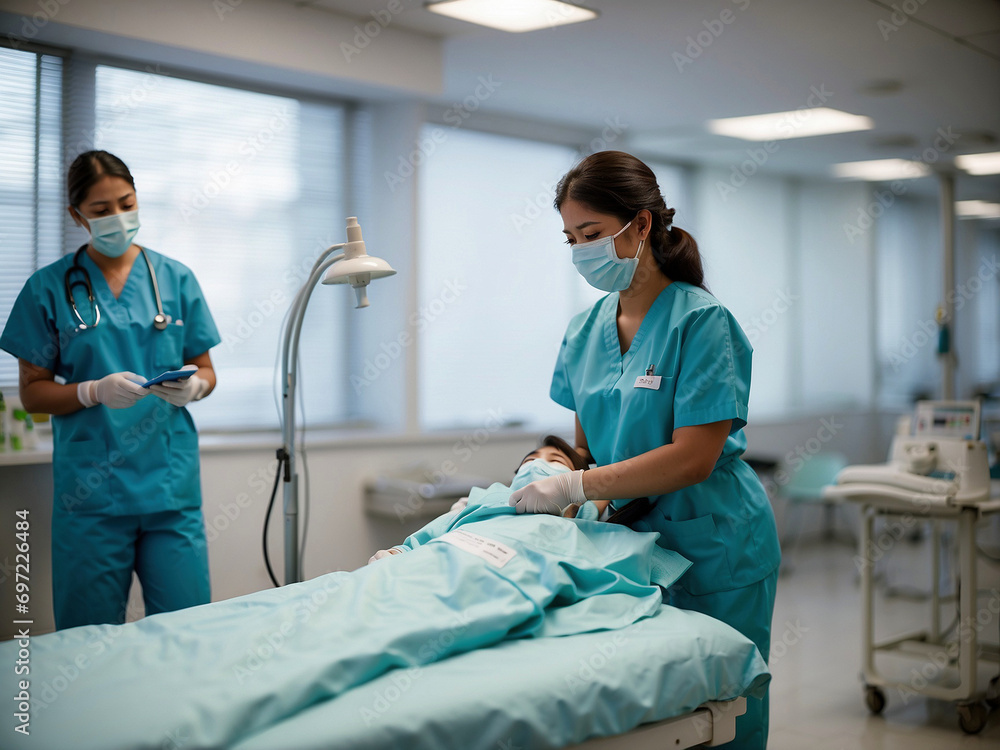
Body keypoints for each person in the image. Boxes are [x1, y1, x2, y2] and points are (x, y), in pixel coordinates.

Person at [507, 151, 780, 750]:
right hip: (629, 549)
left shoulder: (702, 323)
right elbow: (587, 448)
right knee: (652, 719)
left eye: (593, 234)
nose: (581, 250)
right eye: (571, 238)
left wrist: (579, 487)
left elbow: (693, 459)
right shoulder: (584, 332)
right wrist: (557, 471)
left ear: (642, 224)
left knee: (721, 708)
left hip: (714, 544)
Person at [0, 150, 221, 629]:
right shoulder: (48, 288)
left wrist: (195, 388)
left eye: (126, 203)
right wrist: (92, 392)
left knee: (191, 631)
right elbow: (34, 394)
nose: (118, 218)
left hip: (170, 488)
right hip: (91, 497)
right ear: (76, 215)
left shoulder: (175, 279)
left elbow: (206, 369)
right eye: (101, 211)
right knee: (87, 639)